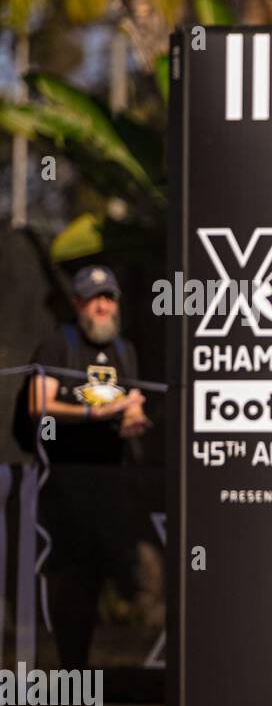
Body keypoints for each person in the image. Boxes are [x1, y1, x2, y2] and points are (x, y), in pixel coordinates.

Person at [26, 264, 152, 669]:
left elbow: (132, 401)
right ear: (78, 302)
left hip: (113, 479)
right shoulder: (57, 344)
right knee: (72, 575)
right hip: (67, 477)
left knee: (115, 572)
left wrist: (132, 416)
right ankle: (68, 669)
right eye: (94, 298)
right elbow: (37, 404)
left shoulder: (124, 350)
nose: (102, 306)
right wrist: (92, 414)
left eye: (108, 298)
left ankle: (113, 672)